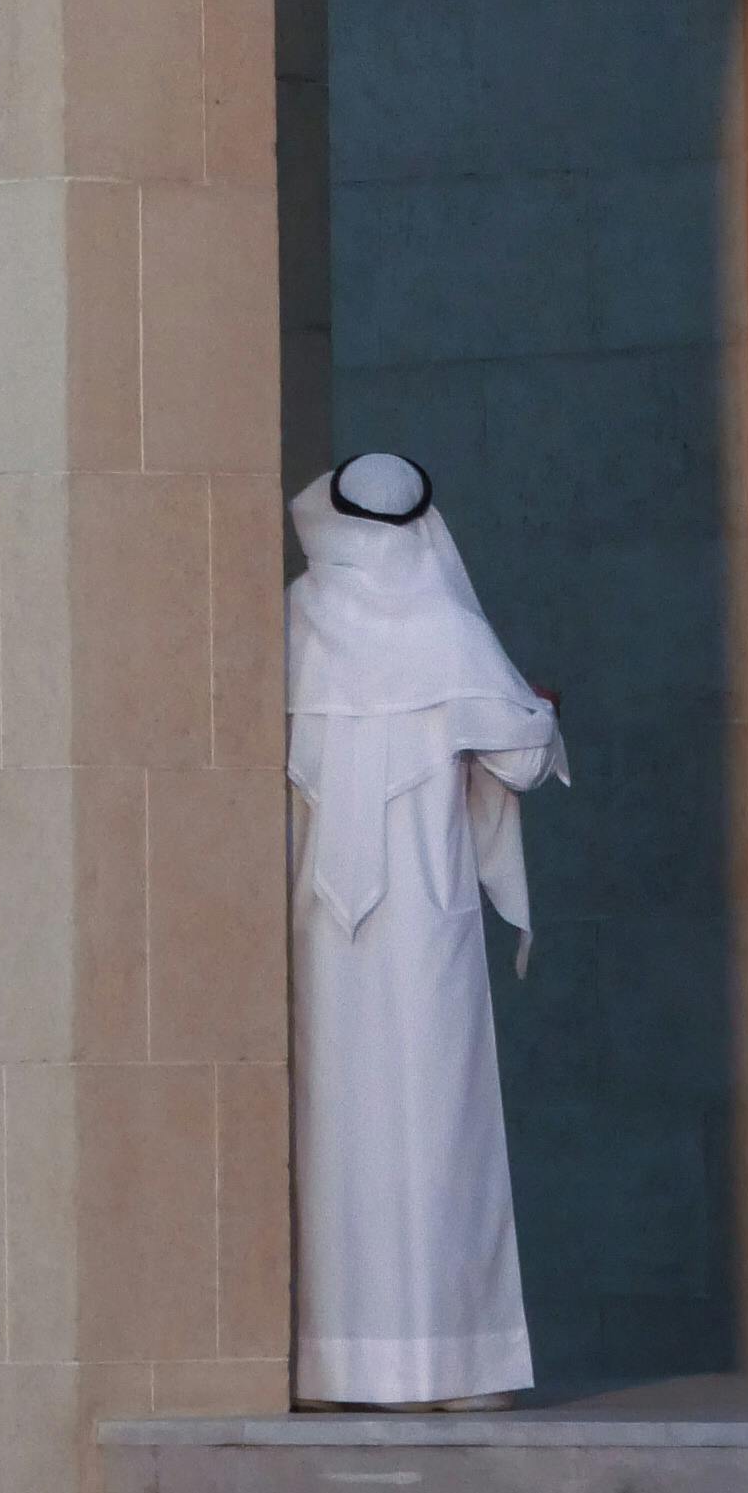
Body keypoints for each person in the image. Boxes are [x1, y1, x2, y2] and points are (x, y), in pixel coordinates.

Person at [286, 452, 568, 1409]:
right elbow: (524, 760)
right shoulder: (449, 629)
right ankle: (455, 1369)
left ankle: (330, 1367)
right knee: (434, 1134)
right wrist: (535, 709)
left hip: (317, 933)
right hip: (423, 930)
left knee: (332, 1137)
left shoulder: (290, 620)